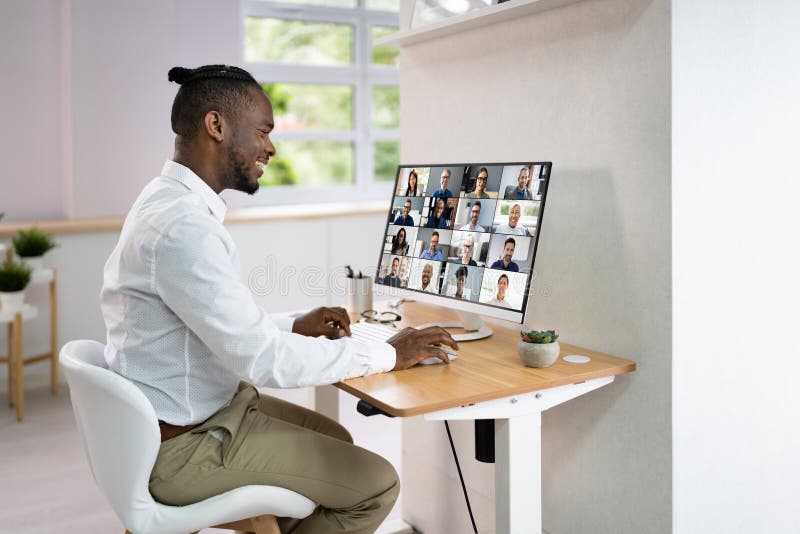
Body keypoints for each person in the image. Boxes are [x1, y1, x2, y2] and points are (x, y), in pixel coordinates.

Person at [101, 64, 458, 534]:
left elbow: (212, 323)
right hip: (185, 446)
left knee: (336, 438)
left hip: (189, 416)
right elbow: (263, 361)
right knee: (375, 484)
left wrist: (292, 324)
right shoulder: (183, 227)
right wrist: (389, 352)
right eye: (263, 131)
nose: (270, 147)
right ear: (217, 126)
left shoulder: (164, 201)